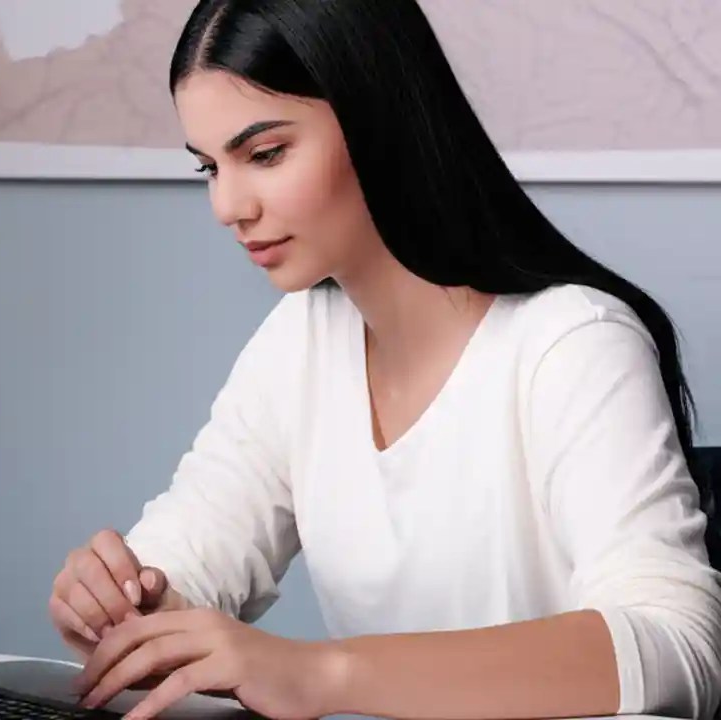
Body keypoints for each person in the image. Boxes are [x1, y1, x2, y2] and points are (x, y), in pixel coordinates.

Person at [49, 1, 721, 719]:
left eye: (265, 154)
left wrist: (320, 673)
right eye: (209, 167)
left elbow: (676, 645)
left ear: (379, 122)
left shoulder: (573, 343)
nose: (227, 204)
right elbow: (192, 559)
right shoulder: (299, 342)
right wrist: (123, 605)